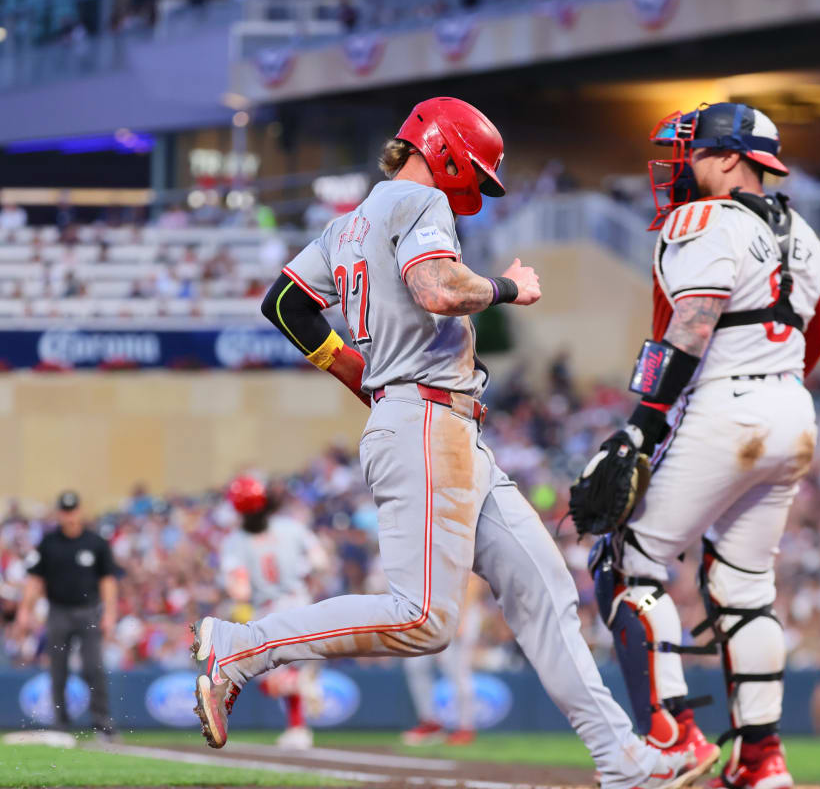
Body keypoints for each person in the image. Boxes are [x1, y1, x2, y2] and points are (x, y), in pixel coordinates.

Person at [192, 96, 699, 788]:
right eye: (478, 174)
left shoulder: (348, 225)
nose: (478, 191)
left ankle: (623, 760)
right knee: (424, 619)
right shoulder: (418, 202)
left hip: (436, 423)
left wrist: (358, 374)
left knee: (545, 590)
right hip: (427, 420)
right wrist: (506, 287)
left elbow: (284, 303)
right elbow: (435, 288)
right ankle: (240, 649)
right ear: (447, 149)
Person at [575, 102, 820, 789]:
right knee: (747, 590)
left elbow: (689, 327)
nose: (680, 166)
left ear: (728, 157)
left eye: (691, 151)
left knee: (630, 564)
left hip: (729, 405)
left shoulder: (701, 219)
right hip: (792, 408)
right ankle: (762, 761)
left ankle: (675, 740)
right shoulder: (806, 233)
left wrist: (644, 424)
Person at [217, 475, 330, 750]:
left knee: (268, 680)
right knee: (290, 671)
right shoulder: (291, 526)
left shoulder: (236, 541)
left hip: (269, 611)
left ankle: (301, 686)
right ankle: (297, 727)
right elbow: (320, 561)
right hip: (301, 601)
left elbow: (240, 591)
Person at [16, 491, 119, 739]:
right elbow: (35, 579)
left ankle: (101, 721)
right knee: (58, 669)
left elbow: (108, 581)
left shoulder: (95, 543)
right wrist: (24, 610)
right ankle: (60, 723)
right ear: (59, 513)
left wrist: (110, 614)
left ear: (80, 511)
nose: (69, 516)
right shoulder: (49, 543)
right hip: (58, 611)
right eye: (65, 511)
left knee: (94, 667)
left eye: (72, 510)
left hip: (88, 611)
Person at [400, 575, 482, 747]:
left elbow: (472, 580)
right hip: (430, 610)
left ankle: (465, 727)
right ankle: (431, 722)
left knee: (456, 670)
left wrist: (463, 617)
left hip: (458, 609)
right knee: (416, 665)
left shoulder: (457, 547)